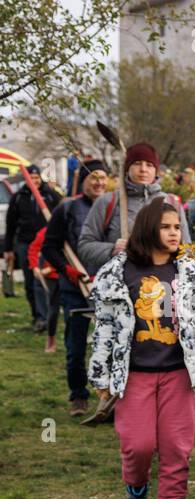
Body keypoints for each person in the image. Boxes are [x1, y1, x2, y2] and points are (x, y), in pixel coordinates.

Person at [88, 198, 195, 499]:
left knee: (177, 448)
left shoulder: (190, 272)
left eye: (177, 226)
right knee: (138, 445)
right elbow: (105, 329)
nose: (174, 232)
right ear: (148, 228)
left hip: (178, 374)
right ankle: (136, 492)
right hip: (135, 377)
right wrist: (101, 378)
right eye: (166, 226)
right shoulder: (118, 273)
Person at [41, 160, 110, 415]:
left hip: (109, 288)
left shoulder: (113, 208)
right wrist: (66, 270)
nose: (98, 182)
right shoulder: (67, 209)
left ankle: (110, 398)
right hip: (75, 288)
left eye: (102, 177)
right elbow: (50, 246)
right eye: (92, 177)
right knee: (76, 344)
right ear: (82, 180)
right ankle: (78, 395)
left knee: (113, 344)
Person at [79, 142, 191, 276]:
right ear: (127, 168)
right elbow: (85, 247)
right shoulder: (107, 202)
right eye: (137, 163)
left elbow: (187, 249)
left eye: (149, 165)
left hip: (164, 286)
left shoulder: (172, 203)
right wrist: (112, 249)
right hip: (120, 285)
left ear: (156, 170)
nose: (143, 169)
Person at [4, 164, 62, 333]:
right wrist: (8, 249)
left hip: (47, 244)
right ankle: (38, 316)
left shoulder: (51, 195)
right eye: (31, 178)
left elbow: (61, 216)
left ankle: (49, 316)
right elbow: (10, 225)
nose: (34, 181)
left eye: (37, 178)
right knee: (30, 282)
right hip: (26, 244)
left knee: (47, 281)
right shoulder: (18, 197)